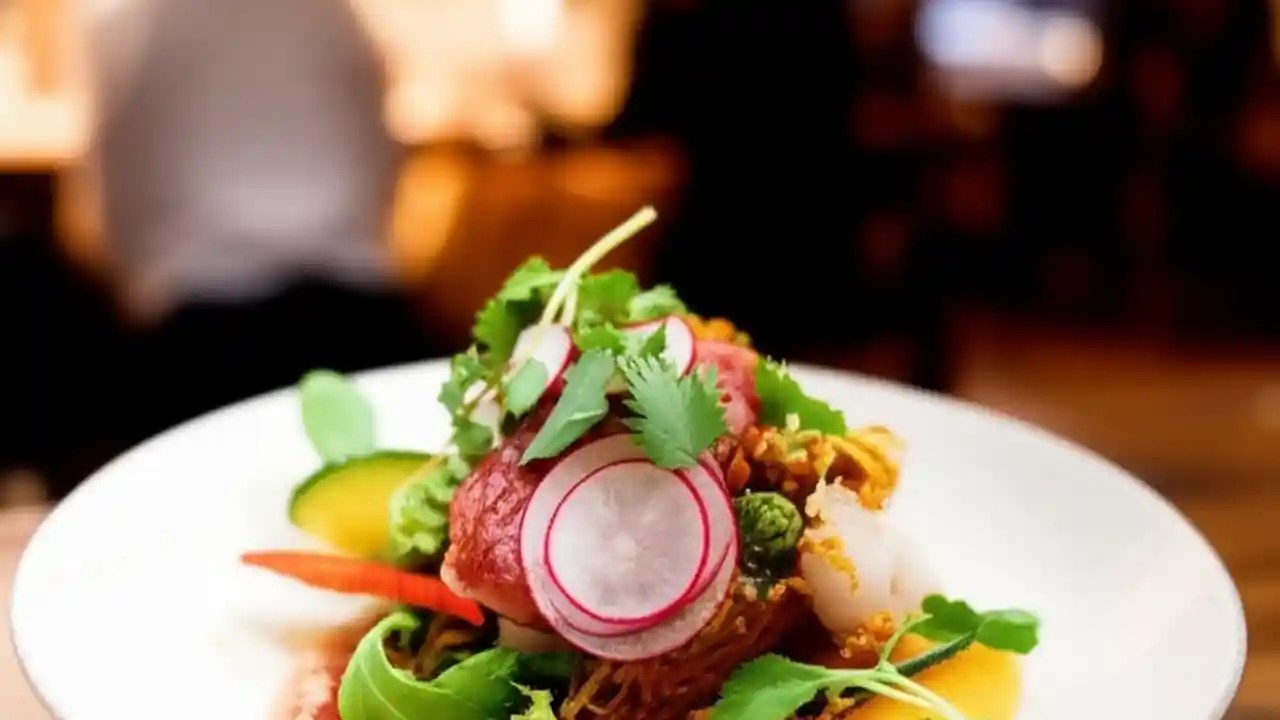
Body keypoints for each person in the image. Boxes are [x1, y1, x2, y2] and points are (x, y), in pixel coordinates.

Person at [82, 0, 445, 445]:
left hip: (198, 333)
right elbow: (384, 161)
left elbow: (108, 210)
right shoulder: (336, 13)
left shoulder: (126, 21)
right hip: (359, 317)